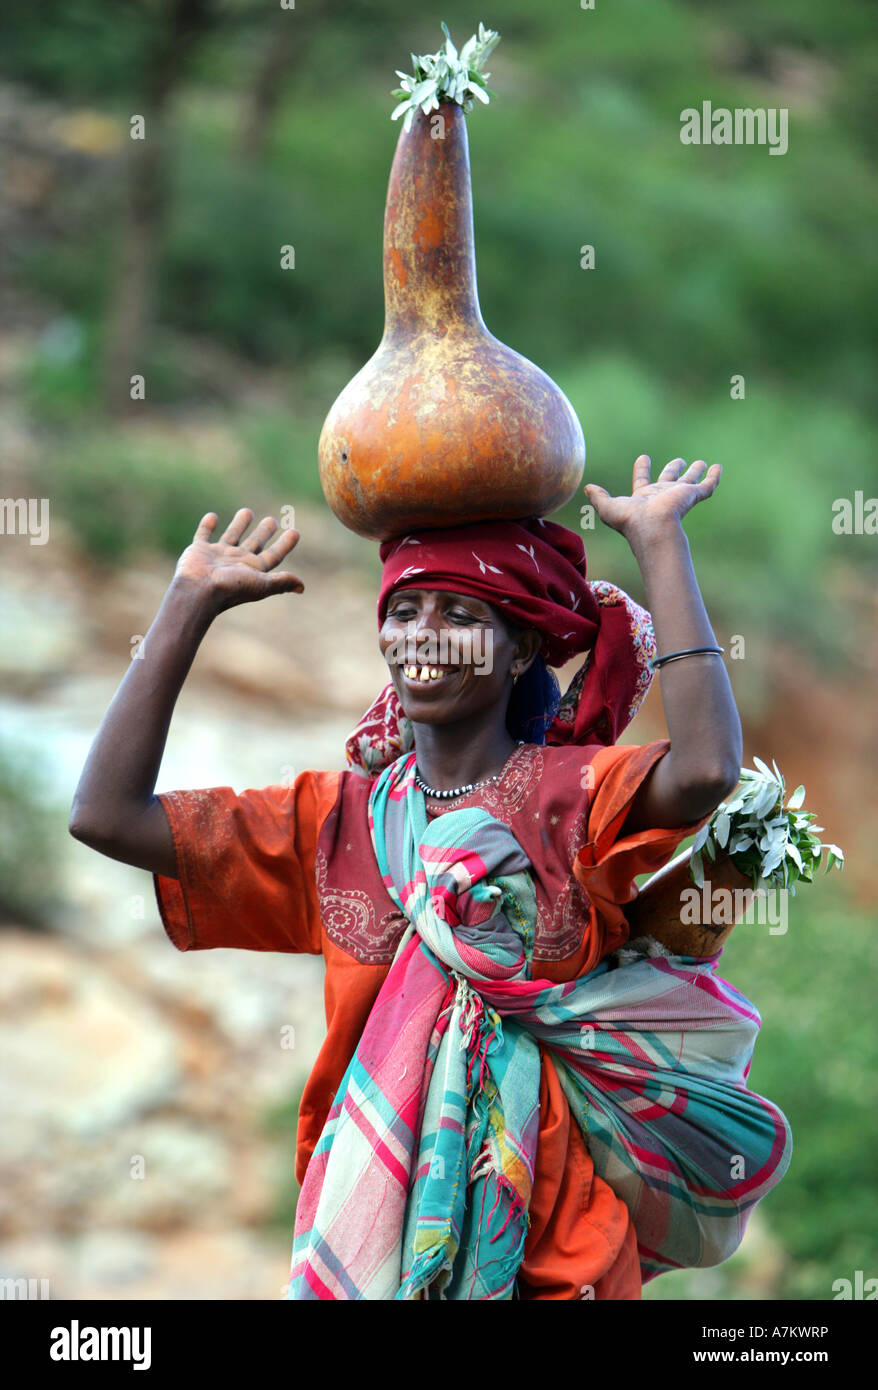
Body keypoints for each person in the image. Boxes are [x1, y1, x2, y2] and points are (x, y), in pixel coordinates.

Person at [69, 455, 792, 1300]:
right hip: (367, 1241)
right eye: (404, 610)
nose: (421, 634)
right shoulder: (333, 822)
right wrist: (186, 605)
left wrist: (661, 543)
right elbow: (107, 816)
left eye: (457, 612)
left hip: (560, 1261)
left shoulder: (577, 796)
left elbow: (707, 771)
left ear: (521, 644)